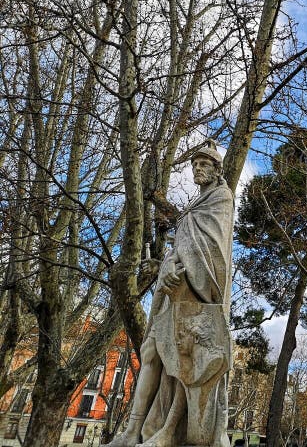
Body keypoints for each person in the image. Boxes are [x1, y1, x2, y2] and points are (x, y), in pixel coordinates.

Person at [105, 142, 234, 447]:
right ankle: (131, 431)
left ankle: (164, 432)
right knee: (150, 353)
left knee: (183, 365)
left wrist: (182, 266)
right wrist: (166, 263)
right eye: (194, 165)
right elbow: (183, 246)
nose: (197, 169)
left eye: (204, 164)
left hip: (197, 293)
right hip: (172, 289)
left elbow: (214, 250)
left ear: (216, 170)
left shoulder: (221, 198)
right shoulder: (195, 204)